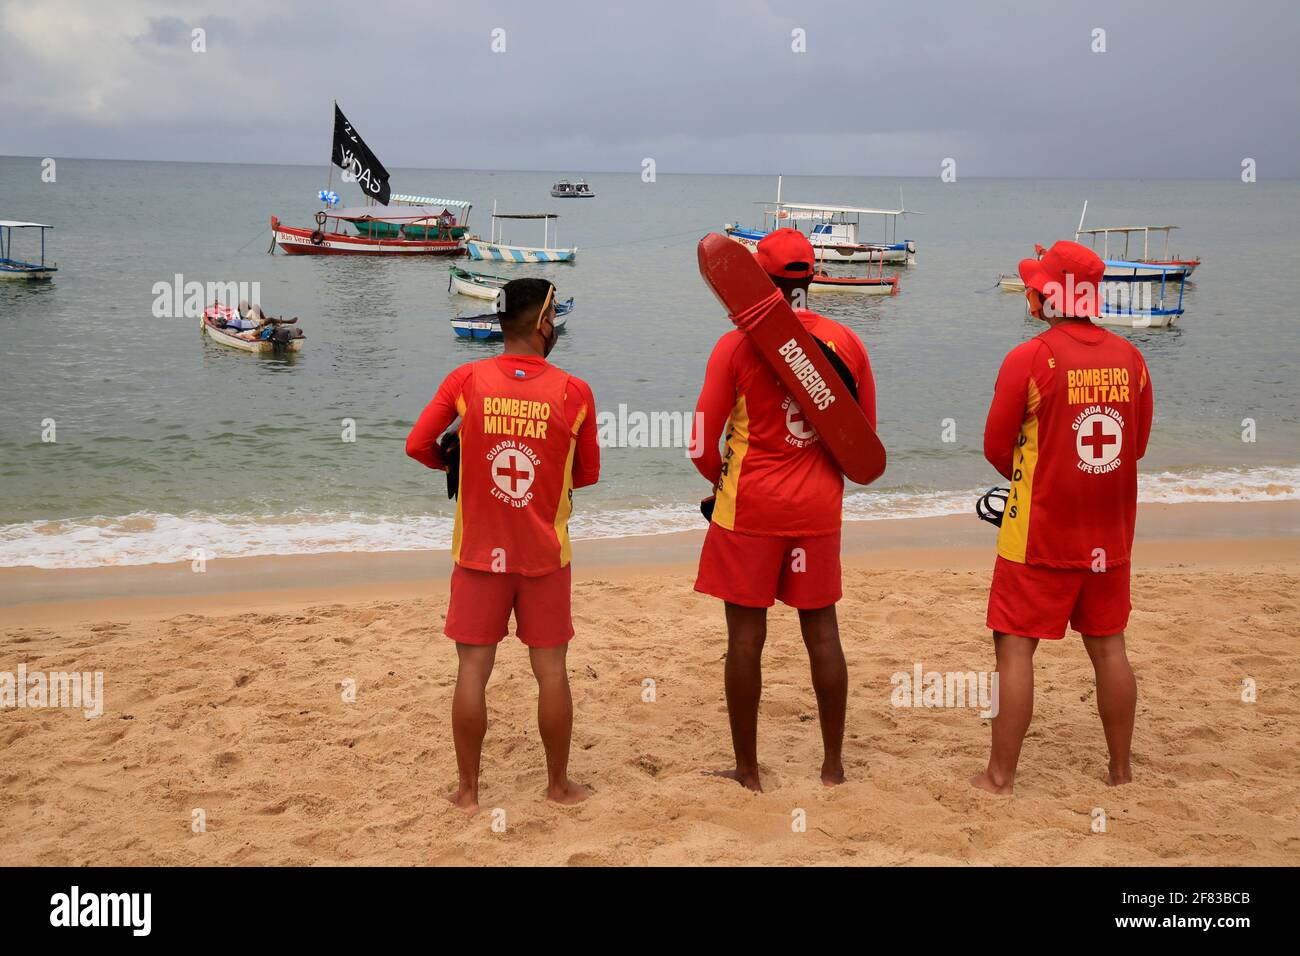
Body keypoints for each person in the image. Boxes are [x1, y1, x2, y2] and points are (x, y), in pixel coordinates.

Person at [691, 228, 877, 792]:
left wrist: (721, 481)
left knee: (745, 641)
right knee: (823, 633)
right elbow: (862, 441)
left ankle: (747, 771)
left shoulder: (735, 346)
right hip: (817, 513)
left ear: (756, 283)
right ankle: (832, 767)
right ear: (811, 278)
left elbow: (702, 442)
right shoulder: (847, 344)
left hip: (749, 511)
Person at [406, 278, 599, 813]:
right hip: (544, 556)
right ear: (541, 322)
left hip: (477, 555)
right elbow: (585, 474)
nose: (555, 324)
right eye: (553, 315)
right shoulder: (573, 391)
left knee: (472, 671)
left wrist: (459, 465)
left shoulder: (466, 380)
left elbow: (417, 444)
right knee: (552, 670)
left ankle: (468, 792)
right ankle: (558, 786)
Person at [972, 240, 1153, 796]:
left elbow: (996, 448)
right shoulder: (1132, 359)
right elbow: (1137, 445)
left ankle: (1000, 777)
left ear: (1047, 296)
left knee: (1016, 647)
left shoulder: (1029, 359)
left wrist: (1038, 471)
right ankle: (1119, 772)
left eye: (1034, 286)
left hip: (1039, 534)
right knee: (1109, 646)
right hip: (1110, 534)